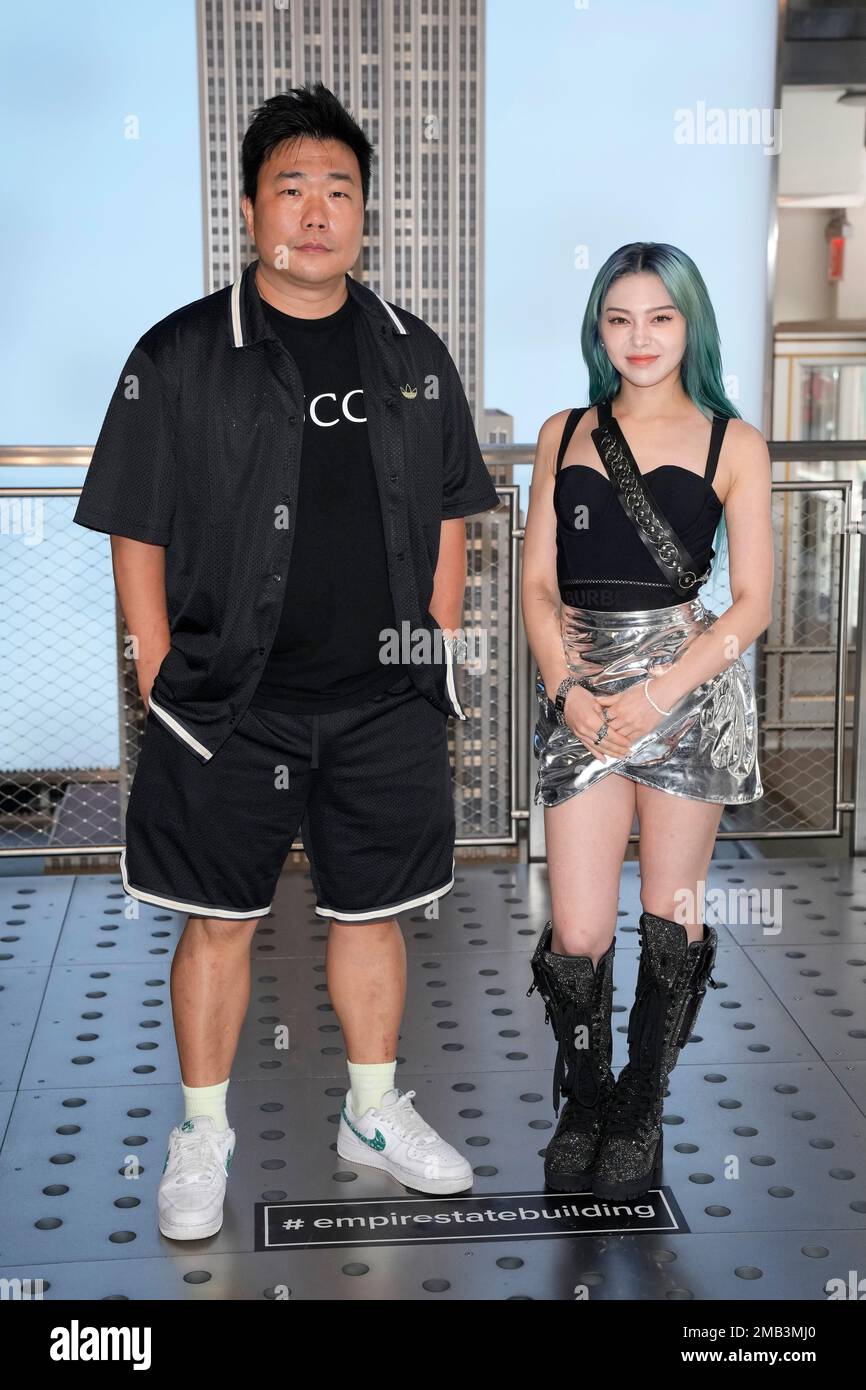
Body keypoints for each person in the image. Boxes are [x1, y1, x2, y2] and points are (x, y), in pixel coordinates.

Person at [73, 83, 500, 1240]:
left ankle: (372, 1112)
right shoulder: (177, 354)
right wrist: (158, 665)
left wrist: (433, 643)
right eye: (291, 189)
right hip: (227, 703)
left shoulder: (414, 351)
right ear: (251, 206)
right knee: (217, 921)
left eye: (339, 191)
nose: (316, 212)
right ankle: (201, 1136)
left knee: (374, 914)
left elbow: (456, 507)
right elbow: (135, 524)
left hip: (381, 701)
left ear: (363, 212)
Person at [521, 242, 772, 1201]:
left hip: (686, 692)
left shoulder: (732, 443)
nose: (639, 337)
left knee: (672, 913)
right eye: (619, 318)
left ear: (690, 326)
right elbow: (540, 582)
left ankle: (638, 1105)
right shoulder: (564, 432)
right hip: (581, 690)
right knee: (578, 931)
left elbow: (748, 602)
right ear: (599, 328)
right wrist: (569, 690)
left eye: (660, 318)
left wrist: (659, 694)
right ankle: (584, 1097)